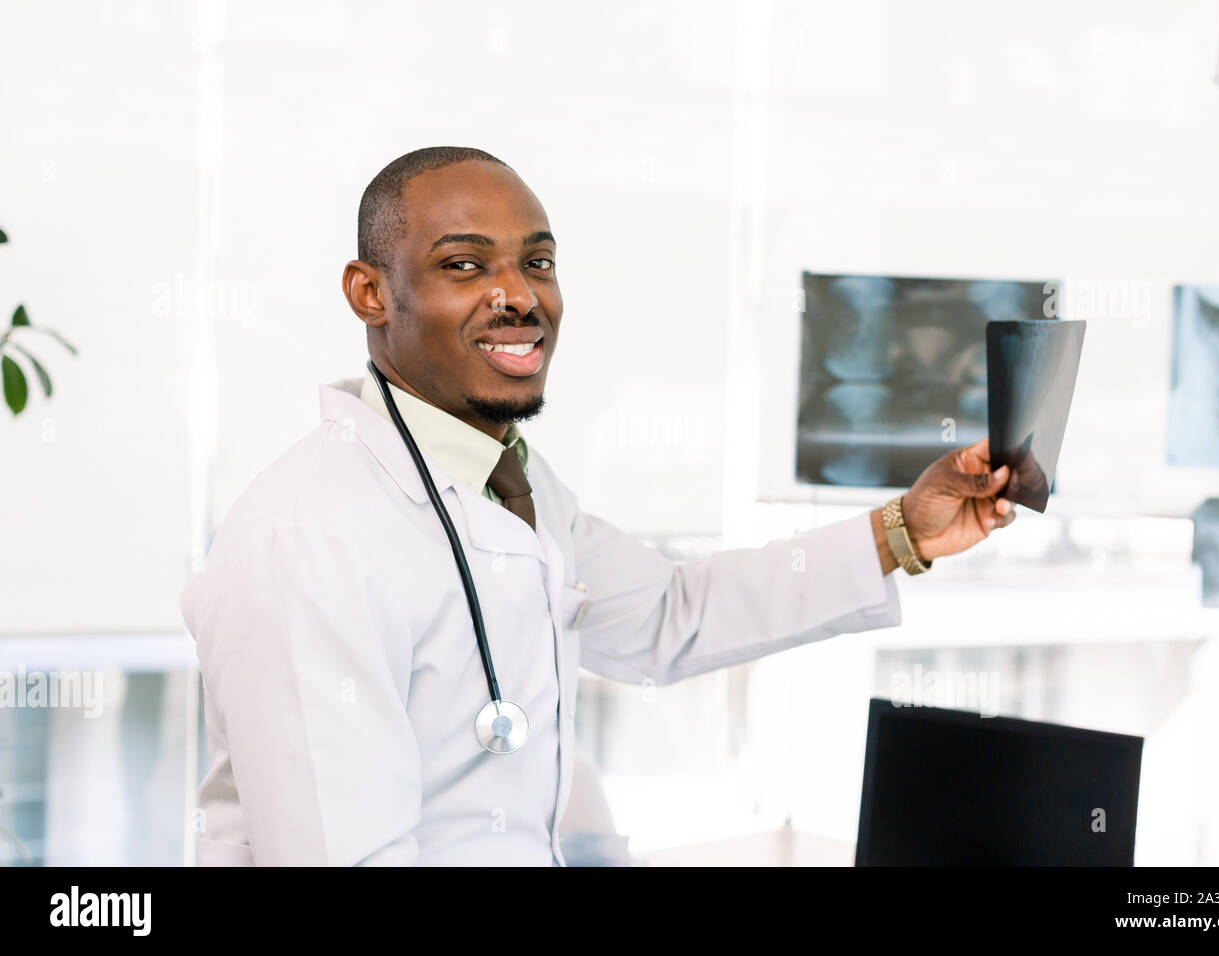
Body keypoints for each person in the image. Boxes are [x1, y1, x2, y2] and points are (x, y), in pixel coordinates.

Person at [180, 146, 1017, 866]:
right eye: (464, 264)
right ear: (370, 293)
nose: (519, 295)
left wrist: (902, 531)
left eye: (536, 262)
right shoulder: (308, 539)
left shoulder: (512, 480)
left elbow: (671, 615)